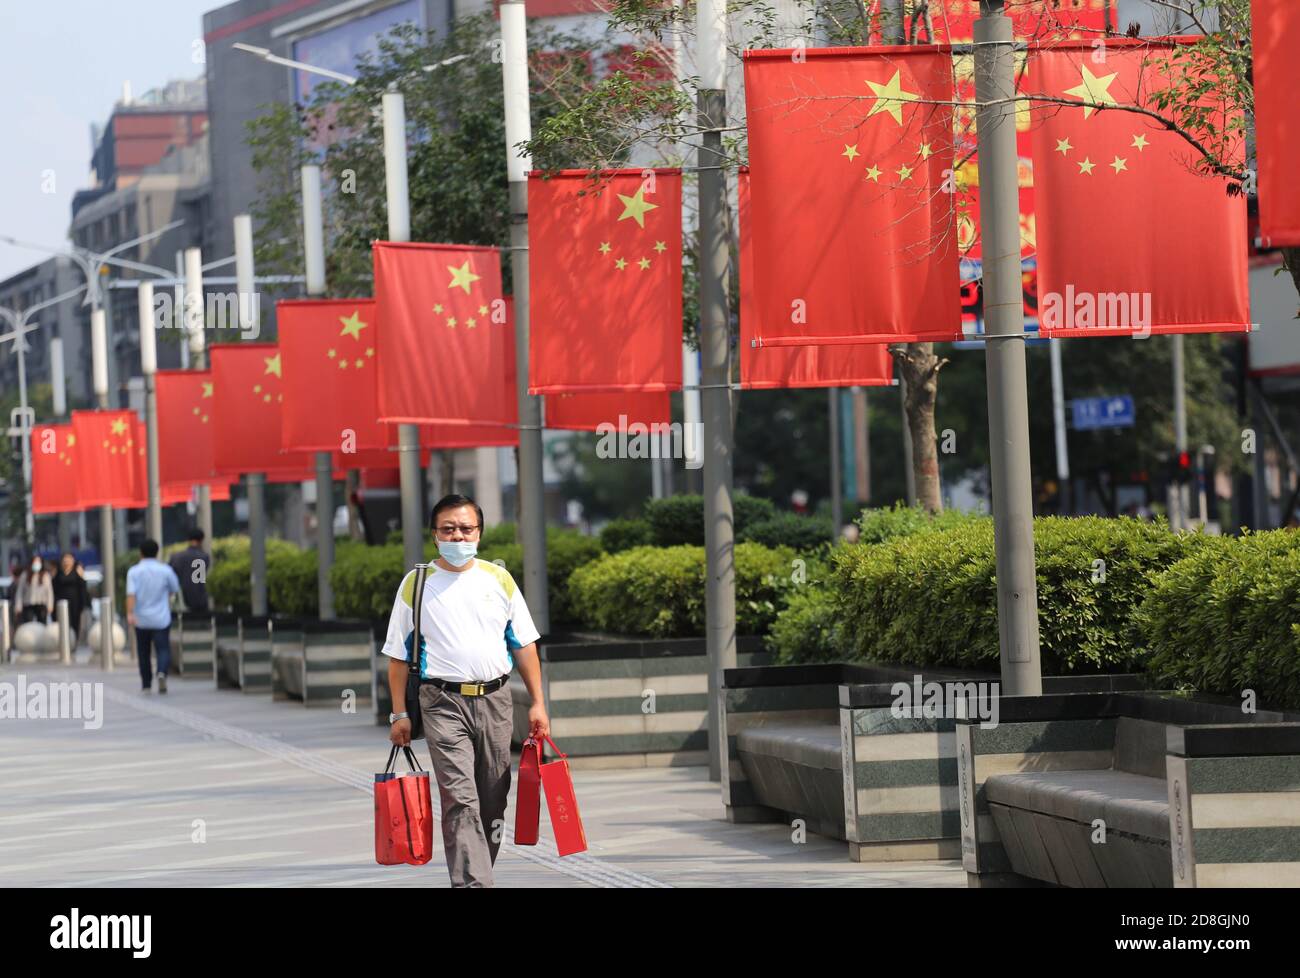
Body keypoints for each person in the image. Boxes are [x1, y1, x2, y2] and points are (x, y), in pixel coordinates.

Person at [383, 493, 549, 888]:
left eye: (466, 529)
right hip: (442, 702)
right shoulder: (417, 583)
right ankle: (473, 883)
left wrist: (539, 703)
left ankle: (477, 871)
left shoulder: (499, 579)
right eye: (449, 530)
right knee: (460, 798)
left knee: (493, 797)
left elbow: (523, 645)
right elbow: (396, 655)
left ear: (480, 532)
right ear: (434, 534)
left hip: (495, 700)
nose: (458, 537)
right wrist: (398, 714)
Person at [126, 539, 180, 694]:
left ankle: (146, 684)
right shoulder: (165, 570)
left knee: (143, 652)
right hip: (161, 618)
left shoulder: (134, 571)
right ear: (157, 552)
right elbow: (174, 588)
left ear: (140, 553)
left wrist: (130, 613)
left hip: (141, 619)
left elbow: (131, 595)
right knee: (163, 649)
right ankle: (162, 671)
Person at [51, 553, 90, 646]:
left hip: (75, 602)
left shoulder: (77, 571)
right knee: (63, 622)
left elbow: (83, 587)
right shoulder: (58, 572)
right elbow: (54, 587)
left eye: (69, 559)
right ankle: (64, 643)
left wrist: (81, 576)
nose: (67, 561)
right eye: (65, 559)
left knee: (75, 622)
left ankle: (74, 642)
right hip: (61, 602)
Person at [168, 528, 211, 612]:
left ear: (188, 539)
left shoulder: (176, 557)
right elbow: (201, 578)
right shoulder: (204, 557)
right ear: (201, 540)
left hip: (181, 599)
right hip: (200, 599)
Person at [15, 556, 54, 624]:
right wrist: (18, 605)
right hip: (28, 604)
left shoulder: (45, 575)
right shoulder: (25, 575)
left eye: (38, 561)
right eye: (35, 561)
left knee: (42, 624)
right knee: (28, 624)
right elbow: (20, 591)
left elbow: (49, 591)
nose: (37, 563)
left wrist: (50, 605)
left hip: (42, 604)